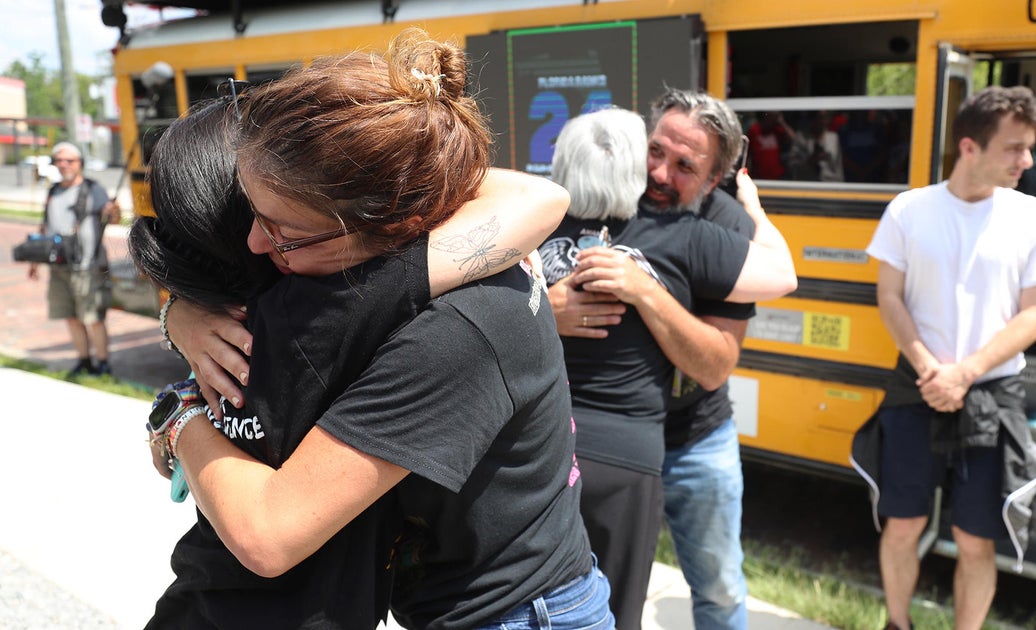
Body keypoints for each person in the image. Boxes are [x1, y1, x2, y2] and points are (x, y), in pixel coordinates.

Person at [135, 30, 611, 629]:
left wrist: (177, 417)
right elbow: (525, 192)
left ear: (392, 222)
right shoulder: (399, 254)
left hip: (516, 614)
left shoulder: (448, 325)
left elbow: (268, 534)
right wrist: (180, 313)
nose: (258, 244)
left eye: (281, 230)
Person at [539, 107, 796, 629]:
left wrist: (644, 290)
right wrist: (545, 309)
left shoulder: (719, 224)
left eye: (684, 165)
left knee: (718, 588)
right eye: (655, 152)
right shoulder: (579, 205)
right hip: (579, 442)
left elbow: (715, 366)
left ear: (714, 179)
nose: (659, 174)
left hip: (696, 438)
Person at [855, 86, 1036, 630]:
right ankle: (898, 623)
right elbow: (890, 296)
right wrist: (931, 369)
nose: (1027, 160)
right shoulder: (909, 209)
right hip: (917, 385)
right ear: (970, 147)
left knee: (976, 539)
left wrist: (965, 373)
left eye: (1029, 148)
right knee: (902, 524)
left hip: (991, 395)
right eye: (1015, 148)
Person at [27, 141, 120, 376]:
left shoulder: (92, 189)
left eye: (69, 160)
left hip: (87, 267)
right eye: (59, 160)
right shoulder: (53, 191)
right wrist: (35, 260)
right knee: (70, 317)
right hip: (58, 267)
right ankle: (84, 360)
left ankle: (103, 364)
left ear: (80, 163)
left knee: (93, 318)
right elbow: (45, 225)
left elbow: (114, 218)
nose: (63, 165)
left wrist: (114, 211)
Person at [788, 111, 844, 182]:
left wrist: (841, 186)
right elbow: (792, 166)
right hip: (809, 185)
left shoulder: (833, 138)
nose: (823, 121)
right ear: (813, 118)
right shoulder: (801, 138)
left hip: (831, 185)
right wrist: (810, 161)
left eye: (826, 117)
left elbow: (839, 166)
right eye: (820, 117)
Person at [746, 110, 795, 180]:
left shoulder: (776, 130)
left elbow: (792, 138)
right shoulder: (754, 130)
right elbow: (747, 153)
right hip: (758, 176)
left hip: (777, 176)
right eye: (770, 116)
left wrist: (782, 122)